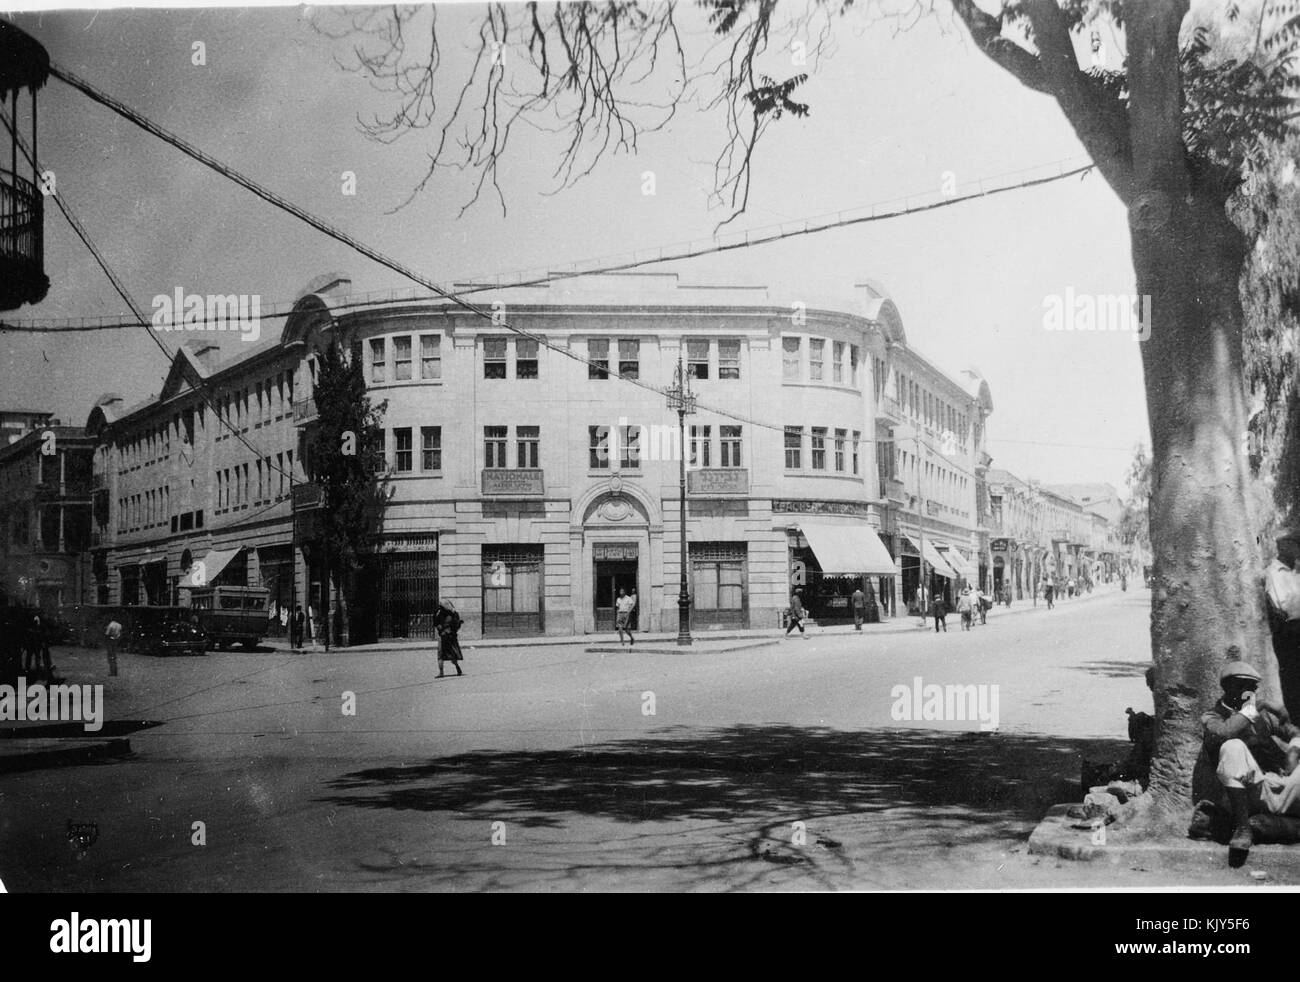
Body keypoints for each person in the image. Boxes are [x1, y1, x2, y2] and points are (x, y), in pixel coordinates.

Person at [1191, 660, 1300, 859]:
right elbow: (1224, 734)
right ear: (1226, 687)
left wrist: (1294, 749)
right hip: (1248, 794)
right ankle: (1243, 829)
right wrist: (1260, 705)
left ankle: (1277, 824)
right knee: (1233, 747)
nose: (1248, 691)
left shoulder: (1263, 718)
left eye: (1252, 687)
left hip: (1278, 786)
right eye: (1242, 685)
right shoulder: (1212, 716)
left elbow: (1294, 731)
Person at [1267, 529, 1300, 715]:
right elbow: (1277, 606)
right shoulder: (1273, 572)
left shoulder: (1297, 572)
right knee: (1293, 679)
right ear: (1282, 546)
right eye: (1294, 543)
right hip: (1289, 632)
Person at [433, 599, 464, 677]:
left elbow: (436, 624)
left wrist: (441, 628)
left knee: (440, 655)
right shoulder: (453, 613)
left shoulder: (438, 613)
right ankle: (457, 667)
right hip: (450, 636)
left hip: (443, 636)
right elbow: (457, 625)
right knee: (452, 653)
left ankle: (441, 672)